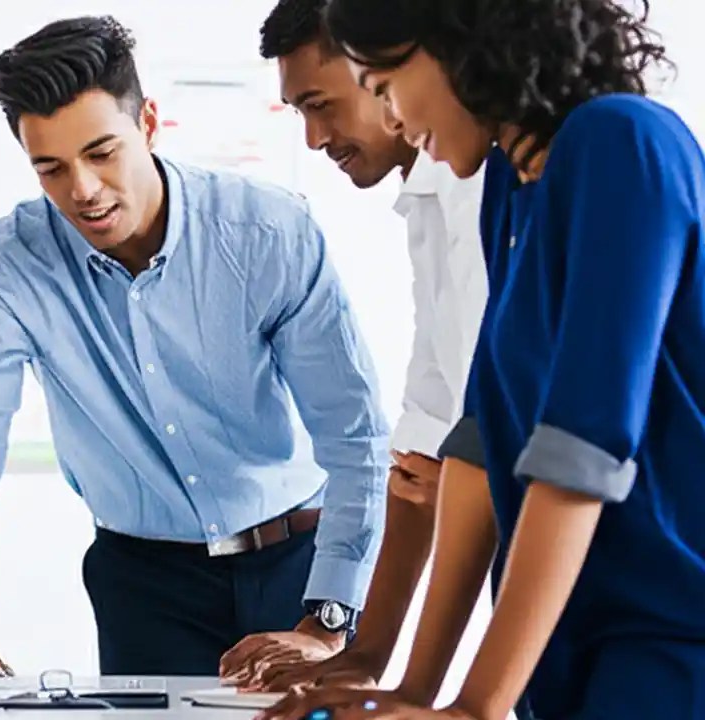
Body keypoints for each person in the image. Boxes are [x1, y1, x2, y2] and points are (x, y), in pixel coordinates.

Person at [0, 15, 392, 685]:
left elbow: (357, 437)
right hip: (145, 586)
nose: (82, 189)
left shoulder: (267, 233)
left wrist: (328, 617)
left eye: (101, 152)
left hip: (300, 563)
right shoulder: (7, 266)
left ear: (148, 122)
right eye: (50, 168)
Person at [265, 0, 705, 718]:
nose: (395, 119)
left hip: (668, 637)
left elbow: (583, 446)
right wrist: (409, 690)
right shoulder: (509, 183)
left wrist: (474, 707)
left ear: (458, 39)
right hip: (564, 644)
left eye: (382, 85)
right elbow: (477, 435)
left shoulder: (622, 141)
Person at [218, 0, 488, 696]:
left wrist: (437, 695)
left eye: (321, 105)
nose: (313, 139)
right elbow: (420, 466)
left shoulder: (484, 191)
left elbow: (491, 461)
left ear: (380, 66)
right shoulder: (430, 200)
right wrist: (365, 658)